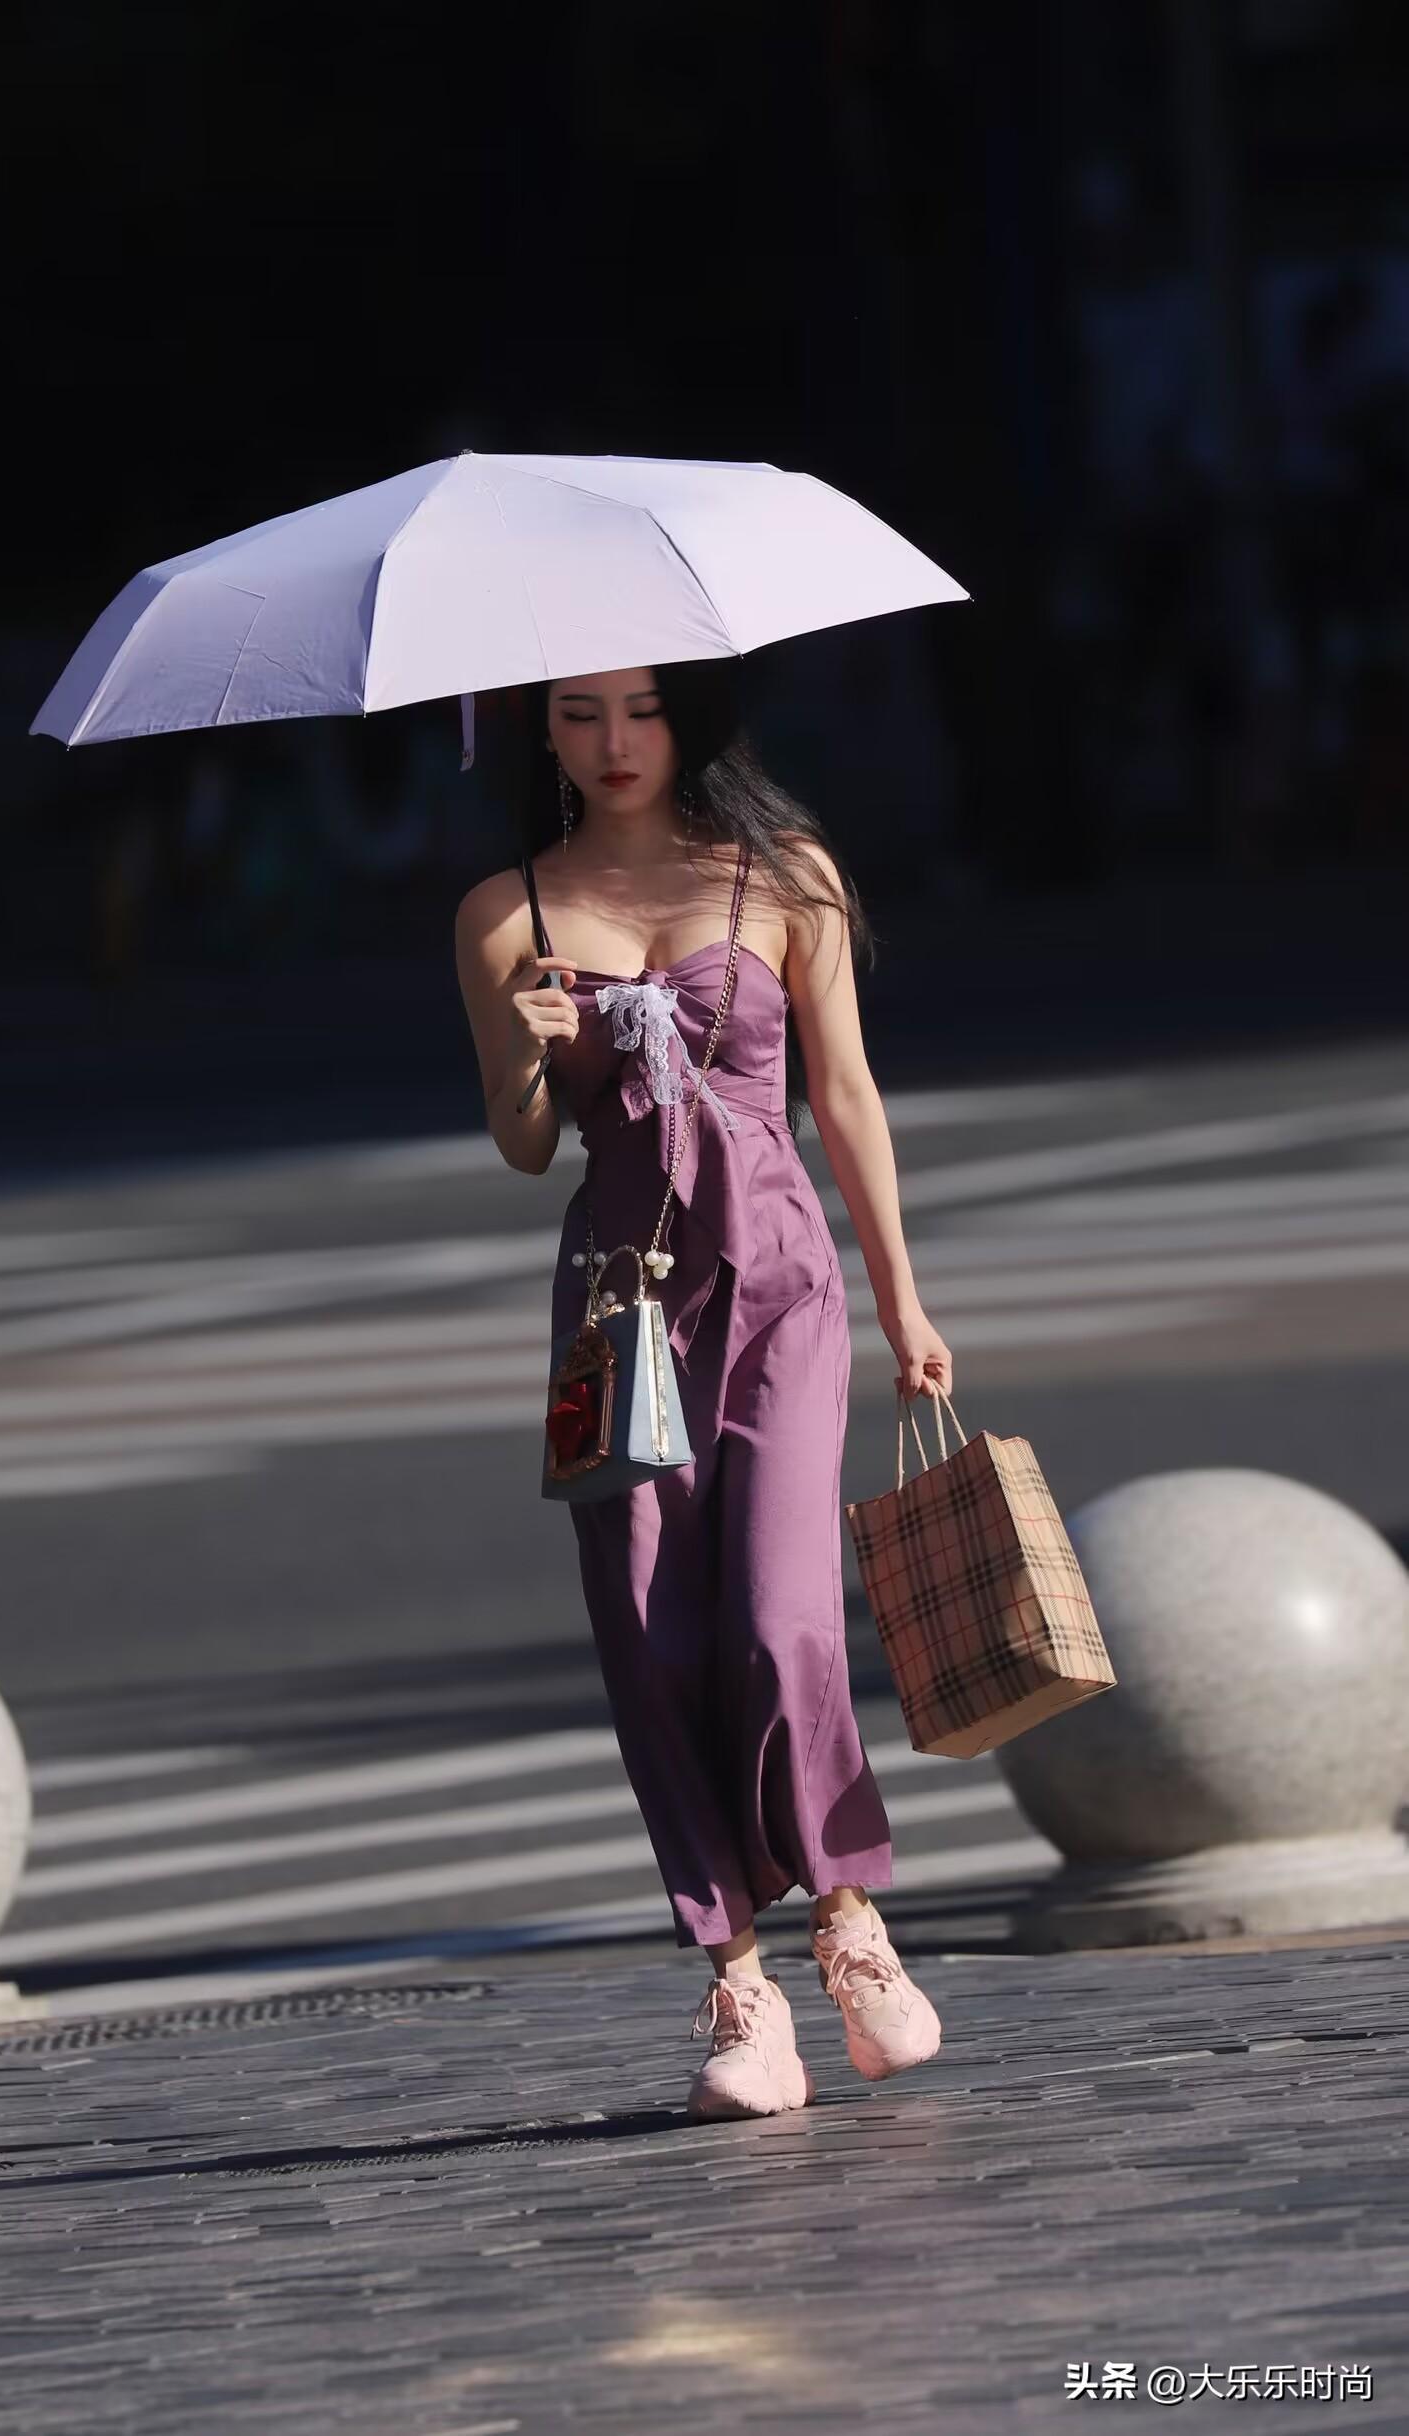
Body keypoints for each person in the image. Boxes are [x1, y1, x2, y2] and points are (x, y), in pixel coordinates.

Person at [454, 660, 953, 2119]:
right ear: (541, 730)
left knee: (785, 1614)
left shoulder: (785, 876)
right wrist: (538, 1062)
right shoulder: (505, 913)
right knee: (651, 1630)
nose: (615, 742)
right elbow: (522, 1145)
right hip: (619, 1310)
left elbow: (844, 1094)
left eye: (645, 708)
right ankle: (738, 1979)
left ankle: (850, 1920)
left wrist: (906, 1297)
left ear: (695, 719)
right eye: (582, 713)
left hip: (784, 1284)